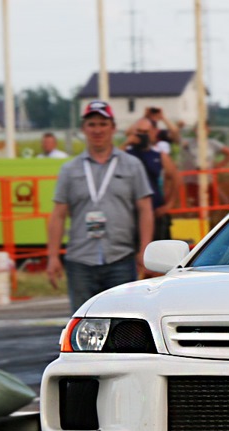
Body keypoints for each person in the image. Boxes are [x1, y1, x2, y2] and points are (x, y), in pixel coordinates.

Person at [46, 100, 154, 313]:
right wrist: (52, 256)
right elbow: (58, 215)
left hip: (120, 258)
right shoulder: (70, 169)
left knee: (122, 323)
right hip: (80, 261)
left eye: (103, 124)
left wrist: (145, 249)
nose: (97, 130)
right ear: (83, 129)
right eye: (92, 124)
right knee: (83, 323)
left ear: (113, 128)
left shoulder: (131, 165)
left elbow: (145, 209)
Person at [123, 117, 181, 241]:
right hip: (131, 214)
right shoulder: (126, 153)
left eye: (146, 132)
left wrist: (169, 204)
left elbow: (176, 177)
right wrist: (128, 142)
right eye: (139, 132)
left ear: (152, 133)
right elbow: (111, 161)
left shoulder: (158, 155)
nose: (142, 136)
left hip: (155, 212)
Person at [179, 121, 229, 206]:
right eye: (199, 128)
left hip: (207, 178)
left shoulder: (212, 143)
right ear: (195, 130)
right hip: (190, 179)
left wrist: (217, 167)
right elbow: (175, 138)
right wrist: (178, 128)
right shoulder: (187, 143)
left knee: (217, 200)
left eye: (205, 128)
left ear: (208, 130)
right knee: (193, 202)